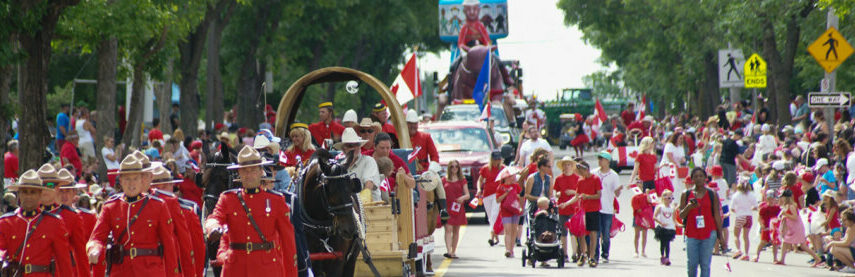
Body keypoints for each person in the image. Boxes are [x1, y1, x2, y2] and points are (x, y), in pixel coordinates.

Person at [204, 146, 298, 276]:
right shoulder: (227, 199)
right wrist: (213, 227)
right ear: (239, 173)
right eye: (244, 171)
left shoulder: (276, 201)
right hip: (235, 269)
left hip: (267, 269)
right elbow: (215, 217)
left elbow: (288, 245)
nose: (248, 175)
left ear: (261, 171)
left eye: (253, 170)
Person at [86, 155, 181, 276]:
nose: (131, 184)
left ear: (142, 179)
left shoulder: (158, 206)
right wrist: (94, 248)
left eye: (135, 179)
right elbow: (97, 237)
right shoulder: (111, 206)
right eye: (127, 179)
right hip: (121, 271)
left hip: (151, 271)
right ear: (120, 180)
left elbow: (169, 247)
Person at [0, 170, 74, 276]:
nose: (28, 196)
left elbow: (63, 262)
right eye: (25, 192)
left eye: (33, 192)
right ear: (19, 194)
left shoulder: (54, 223)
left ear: (40, 195)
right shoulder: (6, 222)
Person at [37, 164, 90, 277]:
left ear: (56, 188)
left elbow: (81, 256)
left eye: (50, 185)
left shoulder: (71, 216)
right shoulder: (25, 217)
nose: (46, 189)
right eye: (42, 185)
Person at [145, 164, 197, 277]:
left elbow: (188, 247)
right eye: (169, 185)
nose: (172, 188)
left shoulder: (183, 208)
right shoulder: (171, 203)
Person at [679, 167, 726, 277]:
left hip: (709, 232)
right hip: (692, 233)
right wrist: (689, 207)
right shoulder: (686, 194)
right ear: (692, 179)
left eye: (701, 176)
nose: (699, 178)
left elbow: (717, 215)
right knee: (692, 264)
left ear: (705, 178)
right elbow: (681, 215)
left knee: (705, 264)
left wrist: (721, 237)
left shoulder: (712, 194)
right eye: (696, 176)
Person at [777, 189, 823, 266]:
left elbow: (795, 217)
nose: (781, 198)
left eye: (783, 197)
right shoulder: (786, 206)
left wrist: (785, 214)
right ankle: (782, 259)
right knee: (786, 242)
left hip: (796, 227)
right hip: (792, 227)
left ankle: (817, 258)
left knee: (803, 245)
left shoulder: (791, 206)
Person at [337, 128, 382, 202]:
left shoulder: (368, 161)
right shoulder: (340, 166)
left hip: (371, 208)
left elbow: (369, 184)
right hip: (350, 208)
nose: (355, 148)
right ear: (344, 149)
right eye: (350, 145)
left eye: (357, 144)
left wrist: (361, 202)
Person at [594, 151, 621, 263]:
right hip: (595, 207)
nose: (600, 161)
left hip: (607, 208)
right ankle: (594, 255)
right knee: (595, 233)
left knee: (605, 234)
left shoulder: (614, 175)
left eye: (602, 159)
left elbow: (617, 194)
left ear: (608, 161)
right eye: (599, 158)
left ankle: (605, 254)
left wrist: (618, 190)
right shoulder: (594, 172)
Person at [575, 160, 601, 267]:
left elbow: (599, 195)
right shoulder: (580, 181)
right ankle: (583, 254)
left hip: (593, 209)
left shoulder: (595, 179)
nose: (580, 174)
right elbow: (577, 195)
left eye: (581, 171)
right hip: (583, 210)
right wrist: (567, 204)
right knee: (581, 233)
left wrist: (588, 196)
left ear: (586, 170)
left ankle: (592, 256)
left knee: (593, 233)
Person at [442, 159, 469, 259]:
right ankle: (449, 250)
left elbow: (467, 195)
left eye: (456, 166)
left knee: (456, 231)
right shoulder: (444, 179)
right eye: (452, 166)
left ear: (459, 168)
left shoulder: (462, 179)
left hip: (458, 207)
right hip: (448, 207)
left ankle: (453, 251)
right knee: (448, 229)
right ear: (449, 168)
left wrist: (462, 198)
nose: (454, 168)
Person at [554, 156, 579, 260]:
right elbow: (555, 192)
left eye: (568, 164)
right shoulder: (559, 178)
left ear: (572, 166)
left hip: (573, 208)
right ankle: (564, 254)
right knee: (563, 232)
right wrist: (558, 194)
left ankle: (574, 253)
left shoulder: (577, 178)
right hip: (562, 207)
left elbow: (580, 192)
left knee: (573, 232)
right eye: (565, 165)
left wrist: (573, 192)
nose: (567, 166)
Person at [478, 151, 504, 246]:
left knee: (494, 214)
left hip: (497, 194)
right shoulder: (485, 168)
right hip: (487, 194)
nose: (497, 161)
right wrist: (478, 189)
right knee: (490, 217)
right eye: (495, 159)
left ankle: (491, 238)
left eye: (498, 159)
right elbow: (480, 180)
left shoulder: (503, 169)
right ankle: (496, 236)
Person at [496, 166, 522, 258]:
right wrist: (506, 193)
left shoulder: (516, 186)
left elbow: (520, 196)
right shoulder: (501, 187)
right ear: (505, 177)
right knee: (508, 230)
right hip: (505, 211)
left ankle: (511, 249)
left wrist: (516, 196)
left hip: (515, 210)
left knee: (514, 230)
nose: (513, 177)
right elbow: (498, 200)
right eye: (511, 176)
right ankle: (507, 249)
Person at [730, 179, 758, 261]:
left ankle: (738, 250)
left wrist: (737, 211)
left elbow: (732, 208)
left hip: (740, 216)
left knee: (736, 235)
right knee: (746, 237)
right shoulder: (751, 195)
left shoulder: (736, 195)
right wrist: (750, 208)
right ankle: (746, 254)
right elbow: (755, 206)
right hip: (749, 216)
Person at [754, 190, 781, 263]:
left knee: (775, 243)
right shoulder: (764, 208)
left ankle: (775, 258)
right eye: (769, 199)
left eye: (772, 199)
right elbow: (760, 217)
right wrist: (761, 224)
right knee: (763, 242)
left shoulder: (777, 208)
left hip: (774, 228)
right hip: (766, 227)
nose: (771, 200)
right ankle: (757, 255)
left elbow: (780, 216)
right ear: (766, 199)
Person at [654, 189, 679, 266]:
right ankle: (662, 256)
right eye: (669, 198)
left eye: (672, 198)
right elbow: (654, 217)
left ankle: (667, 258)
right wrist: (661, 223)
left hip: (670, 228)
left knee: (667, 243)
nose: (670, 200)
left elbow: (674, 219)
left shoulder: (672, 208)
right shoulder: (660, 207)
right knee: (663, 243)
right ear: (664, 198)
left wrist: (679, 225)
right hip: (662, 228)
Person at [827, 208, 855, 273]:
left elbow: (847, 243)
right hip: (852, 250)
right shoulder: (849, 227)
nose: (843, 222)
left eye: (845, 220)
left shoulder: (853, 228)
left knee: (834, 249)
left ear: (851, 219)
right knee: (834, 248)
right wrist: (834, 240)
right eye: (842, 220)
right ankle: (850, 266)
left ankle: (852, 267)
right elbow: (845, 240)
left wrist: (832, 243)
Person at [631, 189, 653, 258]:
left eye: (640, 182)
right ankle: (636, 251)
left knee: (644, 234)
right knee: (637, 235)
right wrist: (641, 211)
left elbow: (651, 202)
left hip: (645, 216)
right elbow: (636, 208)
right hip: (638, 216)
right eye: (637, 182)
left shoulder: (646, 195)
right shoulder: (635, 197)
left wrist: (648, 194)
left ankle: (643, 251)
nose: (639, 184)